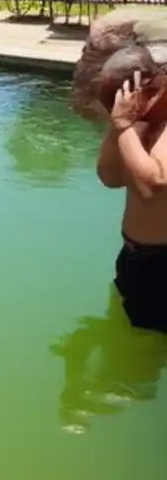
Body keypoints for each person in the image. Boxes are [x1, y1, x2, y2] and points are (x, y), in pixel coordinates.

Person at [96, 70, 167, 334]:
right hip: (134, 257)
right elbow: (110, 177)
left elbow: (153, 186)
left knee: (148, 349)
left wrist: (125, 126)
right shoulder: (142, 120)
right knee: (132, 335)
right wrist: (119, 128)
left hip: (162, 263)